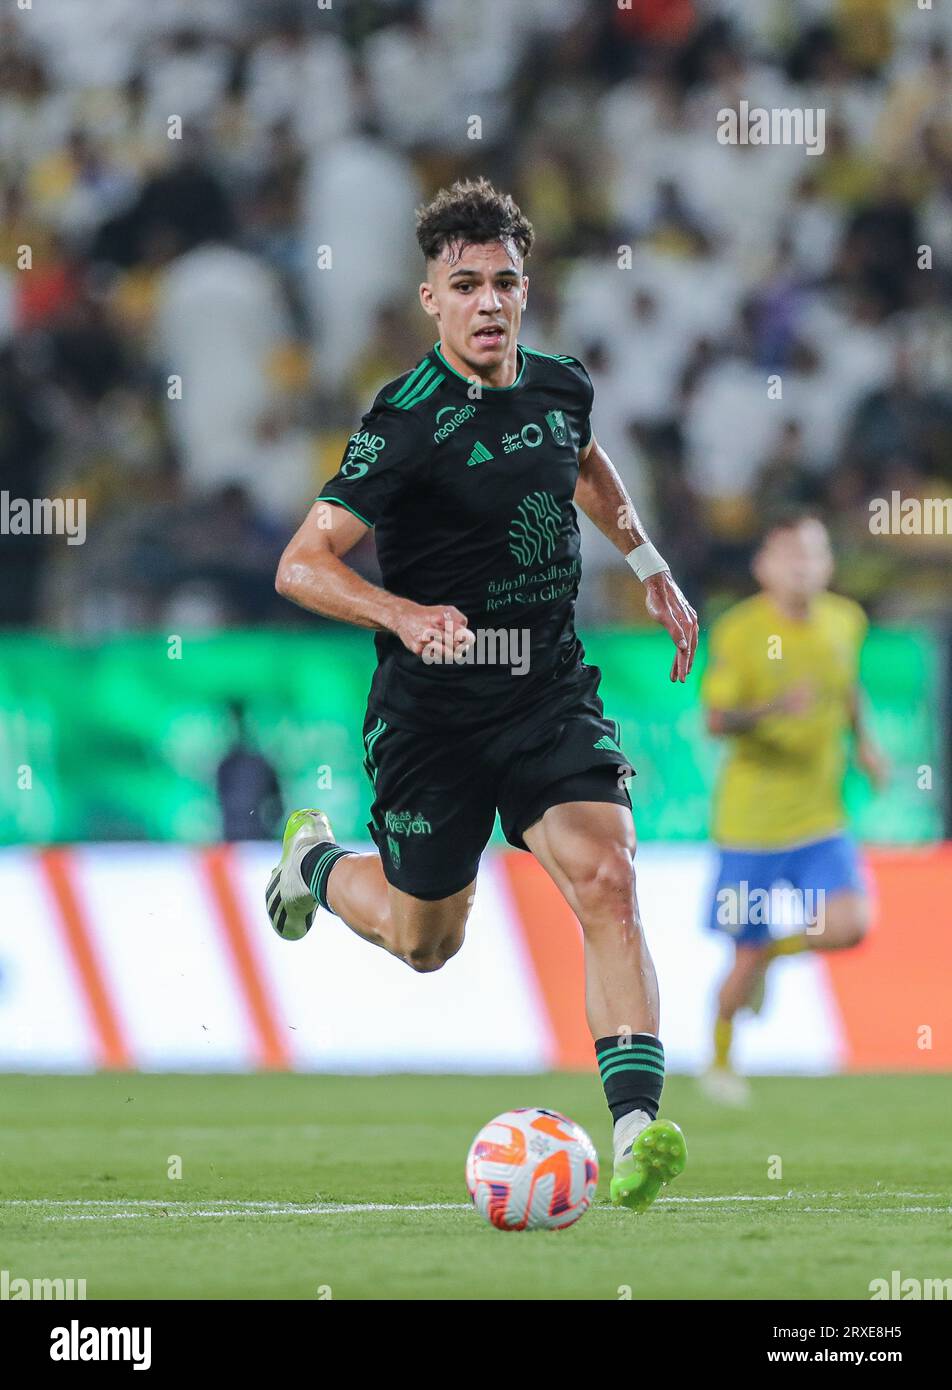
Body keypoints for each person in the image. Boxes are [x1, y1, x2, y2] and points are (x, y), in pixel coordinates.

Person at [267, 178, 698, 1212]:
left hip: (546, 688)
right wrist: (402, 614)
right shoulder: (403, 422)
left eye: (505, 281)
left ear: (525, 286)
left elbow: (585, 463)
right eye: (466, 285)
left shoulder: (559, 386)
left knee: (606, 875)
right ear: (432, 300)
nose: (490, 302)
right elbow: (300, 563)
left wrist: (645, 560)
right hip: (434, 714)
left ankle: (637, 1127)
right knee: (426, 942)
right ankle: (313, 859)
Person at [701, 511, 887, 1104]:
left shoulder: (845, 620)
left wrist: (866, 744)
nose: (802, 566)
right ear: (763, 567)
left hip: (819, 817)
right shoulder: (741, 631)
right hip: (750, 827)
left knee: (851, 925)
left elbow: (848, 686)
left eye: (813, 553)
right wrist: (773, 708)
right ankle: (721, 1062)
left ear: (828, 563)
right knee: (741, 952)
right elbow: (716, 719)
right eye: (789, 555)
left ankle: (772, 959)